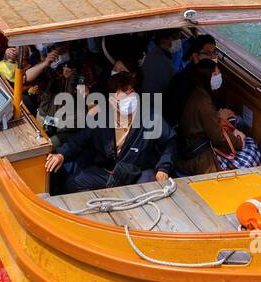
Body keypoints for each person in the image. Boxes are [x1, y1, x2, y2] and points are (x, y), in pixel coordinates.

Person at [45, 70, 178, 191]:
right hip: (107, 173)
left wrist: (163, 168)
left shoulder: (150, 116)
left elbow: (170, 141)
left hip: (136, 174)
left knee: (149, 186)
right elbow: (79, 140)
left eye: (131, 91)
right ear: (113, 101)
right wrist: (61, 155)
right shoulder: (101, 119)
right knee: (73, 183)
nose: (130, 96)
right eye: (124, 93)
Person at [176, 58, 235, 176]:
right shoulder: (204, 101)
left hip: (191, 145)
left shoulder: (197, 91)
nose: (218, 77)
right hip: (199, 154)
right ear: (206, 77)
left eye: (219, 73)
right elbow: (217, 137)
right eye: (215, 74)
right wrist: (238, 142)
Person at [139, 29, 183, 99]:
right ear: (162, 40)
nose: (178, 41)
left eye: (178, 37)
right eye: (174, 37)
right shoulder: (158, 59)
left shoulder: (158, 54)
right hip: (153, 101)